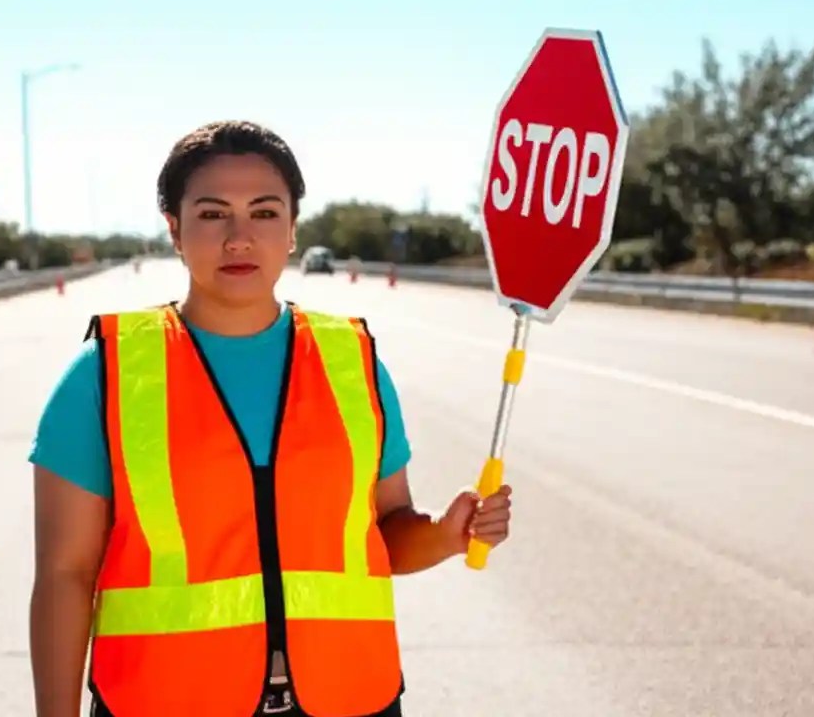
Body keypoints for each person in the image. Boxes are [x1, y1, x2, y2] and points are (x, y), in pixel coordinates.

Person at [28, 119, 513, 717]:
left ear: (291, 231)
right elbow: (64, 576)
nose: (239, 238)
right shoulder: (106, 375)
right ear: (175, 230)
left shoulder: (351, 364)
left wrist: (446, 533)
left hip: (349, 702)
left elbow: (386, 531)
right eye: (211, 215)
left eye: (263, 213)